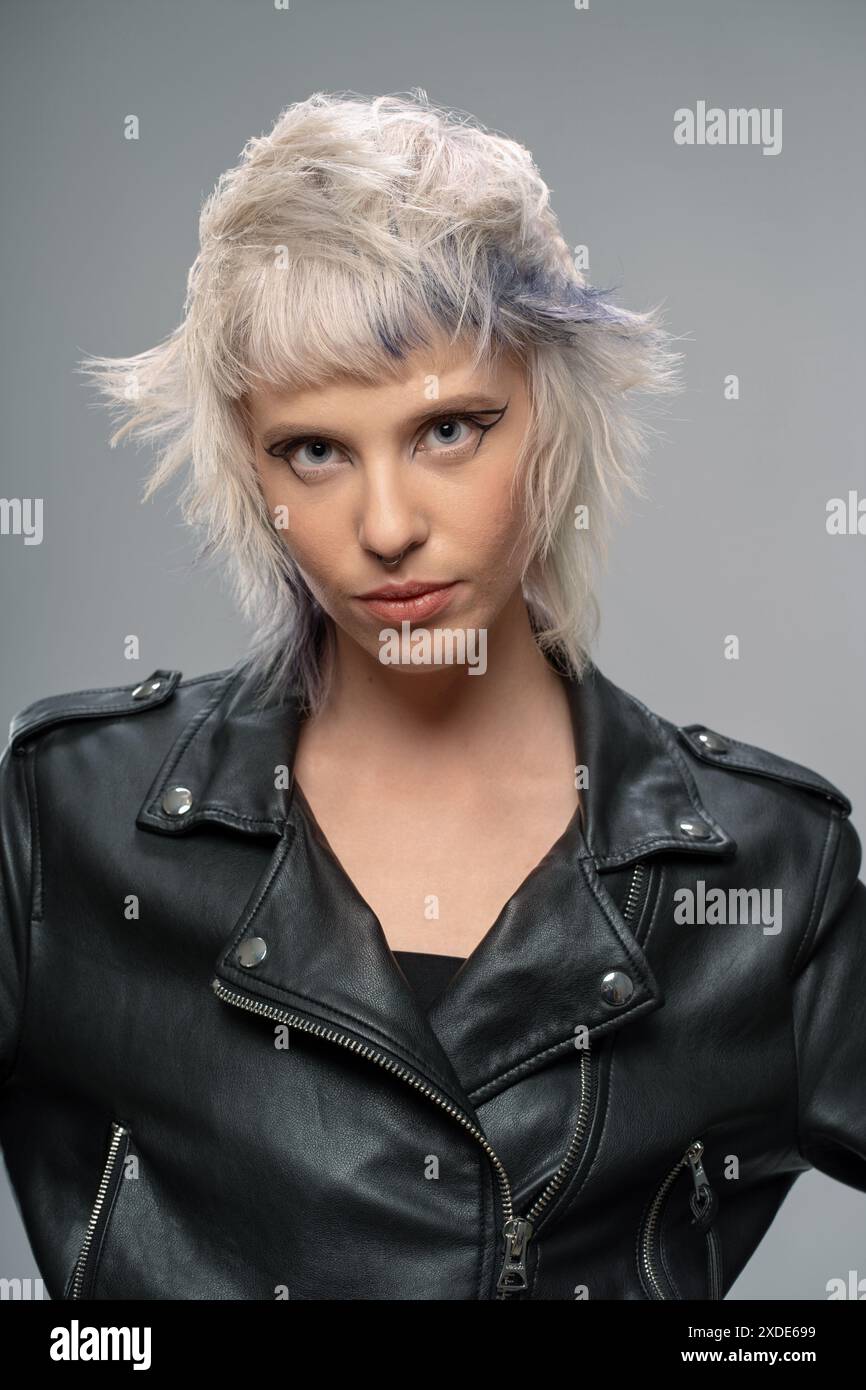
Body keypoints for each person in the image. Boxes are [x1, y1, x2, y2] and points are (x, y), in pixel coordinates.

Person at [1, 90, 863, 1302]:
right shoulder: (70, 820)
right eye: (314, 450)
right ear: (249, 467)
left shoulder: (762, 870)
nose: (388, 526)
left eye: (449, 429)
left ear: (550, 413)